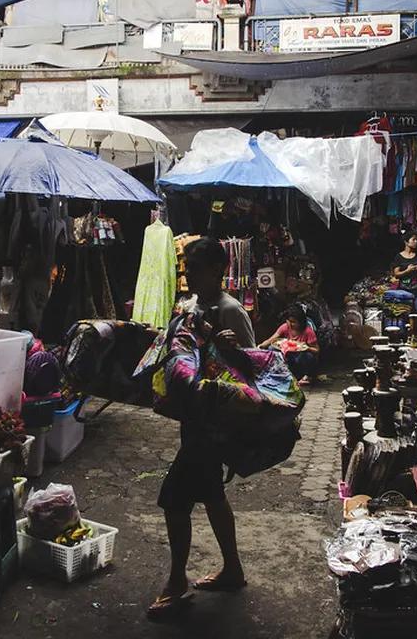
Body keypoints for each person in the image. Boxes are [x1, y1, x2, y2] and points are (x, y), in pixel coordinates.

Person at [150, 237, 250, 620]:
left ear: (217, 270)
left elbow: (254, 369)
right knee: (211, 494)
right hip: (194, 420)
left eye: (194, 268)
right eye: (186, 268)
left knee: (174, 499)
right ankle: (233, 569)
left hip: (214, 426)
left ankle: (176, 582)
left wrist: (231, 349)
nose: (187, 275)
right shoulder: (191, 306)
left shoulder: (231, 310)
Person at [260, 306, 320, 387]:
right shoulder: (285, 327)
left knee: (308, 356)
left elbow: (317, 350)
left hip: (300, 359)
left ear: (301, 322)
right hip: (289, 357)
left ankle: (307, 376)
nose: (290, 324)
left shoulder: (308, 331)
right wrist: (261, 346)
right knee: (271, 348)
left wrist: (307, 348)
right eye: (288, 321)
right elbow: (272, 339)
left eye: (293, 322)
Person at [390, 230, 417, 315]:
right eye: (413, 239)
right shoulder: (399, 257)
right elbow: (396, 274)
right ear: (406, 242)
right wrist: (407, 271)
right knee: (404, 315)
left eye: (416, 240)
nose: (416, 242)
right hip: (403, 291)